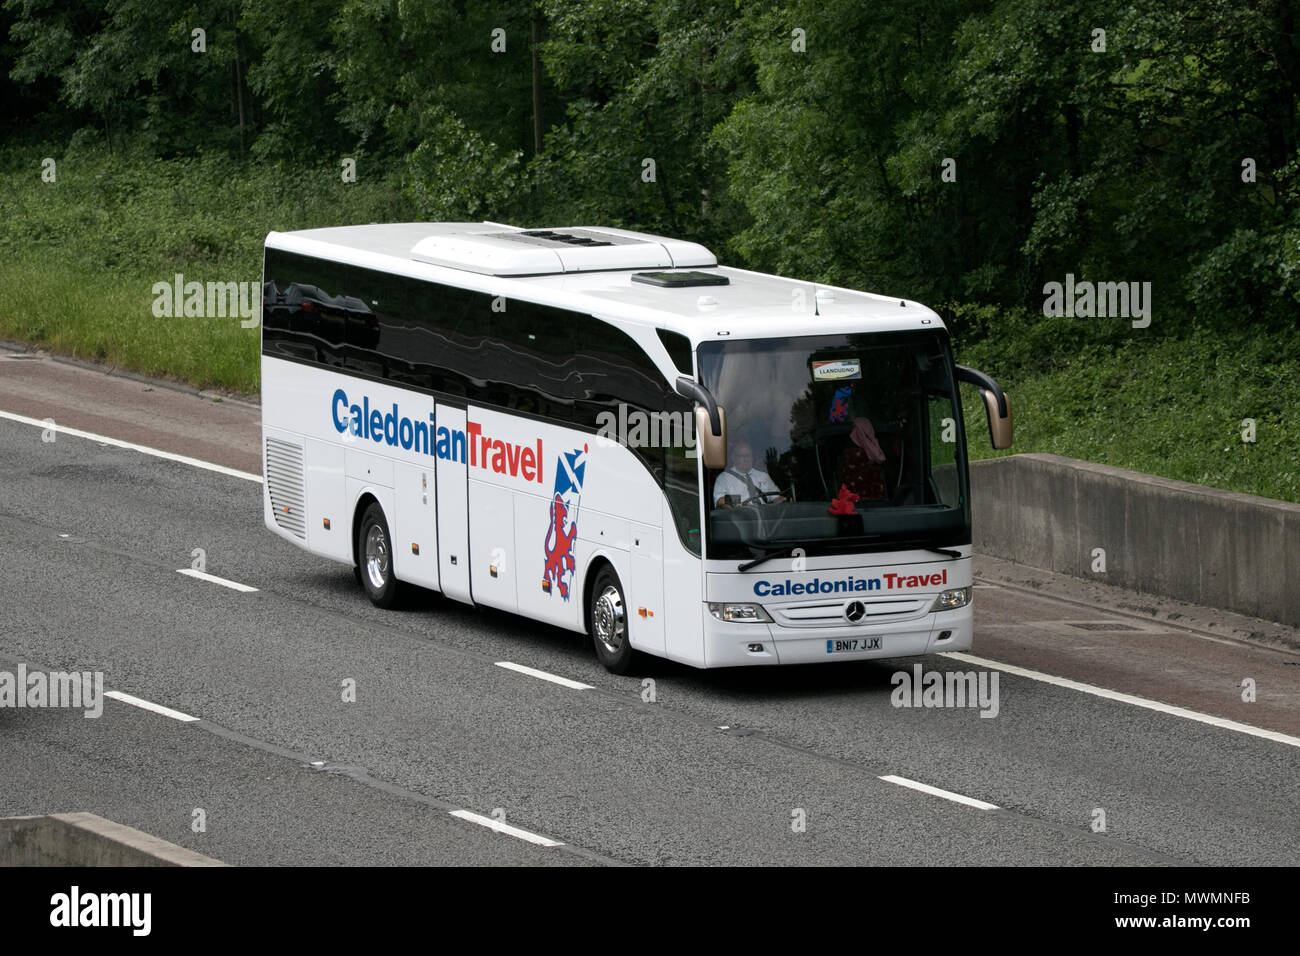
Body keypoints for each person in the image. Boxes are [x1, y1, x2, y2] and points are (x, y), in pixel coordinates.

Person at [713, 438, 786, 507]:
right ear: (733, 458)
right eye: (741, 456)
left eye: (748, 455)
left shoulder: (763, 476)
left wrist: (782, 500)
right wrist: (741, 502)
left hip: (763, 516)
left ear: (752, 457)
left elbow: (776, 497)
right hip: (739, 517)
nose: (745, 459)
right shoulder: (724, 478)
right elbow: (720, 500)